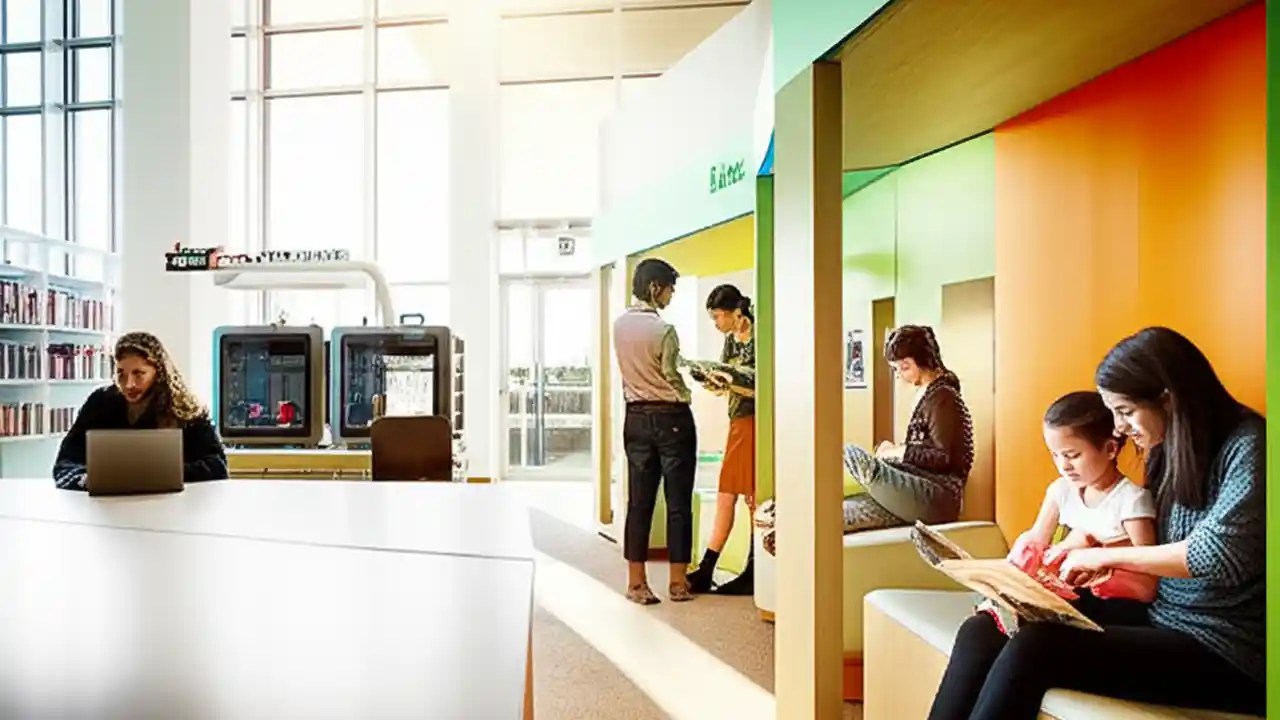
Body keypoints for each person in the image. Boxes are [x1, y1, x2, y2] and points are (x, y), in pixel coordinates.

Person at [928, 326, 1265, 719]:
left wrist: (1104, 559)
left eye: (1125, 412)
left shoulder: (1251, 447)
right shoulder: (1166, 449)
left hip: (1225, 648)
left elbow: (1216, 556)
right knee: (986, 627)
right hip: (1162, 614)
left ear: (1168, 399)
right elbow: (1153, 548)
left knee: (1036, 647)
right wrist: (1089, 554)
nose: (1119, 428)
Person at [996, 391, 1156, 631]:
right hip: (1067, 588)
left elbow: (1149, 570)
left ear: (1110, 449)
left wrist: (1094, 552)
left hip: (1113, 599)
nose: (1064, 466)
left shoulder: (1131, 501)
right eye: (1055, 455)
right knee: (978, 627)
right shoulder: (1062, 490)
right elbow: (1037, 538)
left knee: (1042, 621)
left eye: (1073, 455)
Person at [613, 258, 697, 605]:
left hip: (635, 419)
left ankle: (636, 583)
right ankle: (678, 583)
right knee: (678, 502)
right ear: (654, 288)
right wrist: (690, 390)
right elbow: (671, 377)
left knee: (639, 502)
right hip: (672, 418)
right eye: (669, 288)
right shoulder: (664, 330)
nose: (671, 295)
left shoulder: (618, 326)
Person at [53, 331, 229, 490]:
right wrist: (84, 480)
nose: (129, 384)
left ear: (158, 373)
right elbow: (66, 462)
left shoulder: (185, 409)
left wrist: (164, 474)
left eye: (139, 374)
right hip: (108, 509)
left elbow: (217, 466)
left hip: (170, 507)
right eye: (121, 373)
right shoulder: (100, 402)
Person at [841, 324, 974, 532]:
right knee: (855, 508)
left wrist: (897, 453)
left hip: (937, 497)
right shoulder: (932, 395)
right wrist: (895, 452)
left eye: (904, 368)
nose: (900, 376)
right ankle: (793, 523)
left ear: (923, 362)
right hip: (925, 492)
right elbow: (925, 451)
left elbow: (943, 457)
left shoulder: (944, 397)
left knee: (850, 453)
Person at [686, 284, 756, 595]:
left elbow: (761, 387)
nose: (716, 324)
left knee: (753, 497)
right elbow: (729, 385)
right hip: (737, 421)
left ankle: (751, 569)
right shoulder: (730, 341)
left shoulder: (761, 339)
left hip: (756, 422)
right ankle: (708, 567)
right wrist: (713, 381)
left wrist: (730, 382)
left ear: (735, 313)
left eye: (718, 317)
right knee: (729, 493)